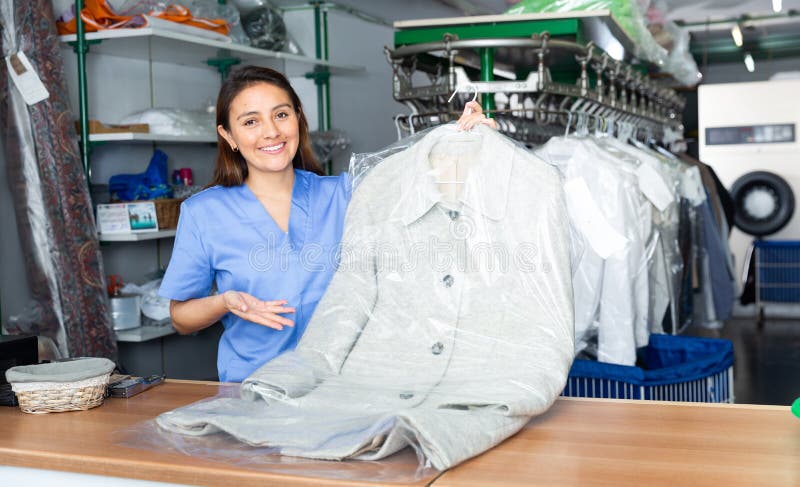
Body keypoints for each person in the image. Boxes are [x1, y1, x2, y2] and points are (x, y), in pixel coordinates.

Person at [159, 65, 496, 382]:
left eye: (281, 114)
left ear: (298, 119)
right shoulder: (204, 213)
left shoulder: (344, 193)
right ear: (228, 135)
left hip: (344, 388)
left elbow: (428, 184)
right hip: (253, 389)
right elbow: (181, 317)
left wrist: (468, 141)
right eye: (250, 122)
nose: (271, 131)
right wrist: (225, 302)